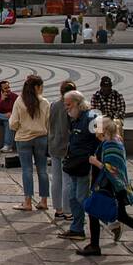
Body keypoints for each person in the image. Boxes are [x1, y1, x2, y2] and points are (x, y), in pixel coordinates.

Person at [81, 117, 133, 256]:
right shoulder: (112, 140)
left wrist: (95, 162)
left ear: (104, 130)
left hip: (112, 188)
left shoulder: (111, 144)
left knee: (101, 212)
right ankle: (94, 244)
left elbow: (113, 169)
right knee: (112, 215)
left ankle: (94, 246)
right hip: (112, 187)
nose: (96, 131)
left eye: (98, 128)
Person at [58, 90, 98, 242]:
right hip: (74, 162)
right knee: (73, 197)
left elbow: (100, 140)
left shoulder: (92, 117)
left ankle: (110, 219)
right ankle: (77, 228)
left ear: (77, 103)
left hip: (84, 164)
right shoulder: (75, 117)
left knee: (82, 197)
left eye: (68, 105)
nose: (66, 108)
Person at [9, 75, 50, 211]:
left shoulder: (19, 101)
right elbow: (48, 123)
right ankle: (43, 201)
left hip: (24, 138)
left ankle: (27, 201)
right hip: (41, 138)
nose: (42, 89)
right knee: (42, 170)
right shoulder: (45, 102)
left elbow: (13, 123)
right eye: (41, 86)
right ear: (37, 87)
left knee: (27, 170)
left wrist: (20, 127)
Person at [49, 79, 78, 222]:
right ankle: (67, 211)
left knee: (56, 178)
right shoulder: (71, 107)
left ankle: (58, 209)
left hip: (54, 144)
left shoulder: (53, 104)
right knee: (67, 180)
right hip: (66, 146)